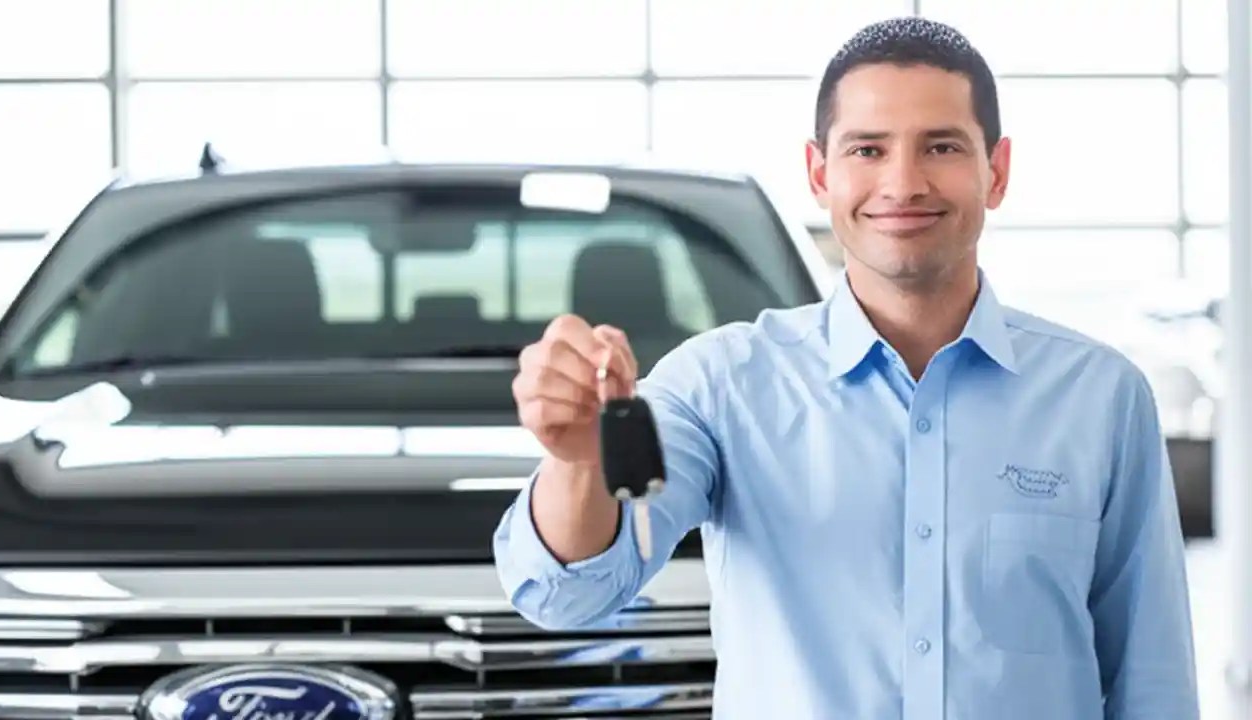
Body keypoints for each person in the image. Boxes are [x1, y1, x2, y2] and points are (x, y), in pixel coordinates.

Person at [492, 15, 1200, 720]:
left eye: (942, 146)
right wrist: (579, 464)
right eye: (867, 148)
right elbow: (568, 594)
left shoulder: (1101, 397)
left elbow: (1152, 680)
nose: (903, 182)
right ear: (819, 174)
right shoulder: (718, 386)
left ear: (998, 171)